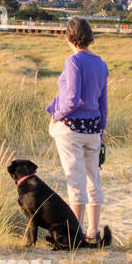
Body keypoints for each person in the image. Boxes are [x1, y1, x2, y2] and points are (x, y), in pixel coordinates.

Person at [46, 16, 109, 243]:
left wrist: (56, 114)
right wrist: (101, 132)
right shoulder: (101, 64)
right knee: (93, 179)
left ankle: (75, 232)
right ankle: (93, 231)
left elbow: (71, 99)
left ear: (69, 36)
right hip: (93, 129)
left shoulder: (74, 62)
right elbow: (103, 103)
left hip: (72, 128)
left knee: (75, 179)